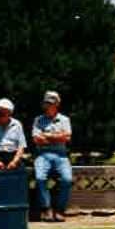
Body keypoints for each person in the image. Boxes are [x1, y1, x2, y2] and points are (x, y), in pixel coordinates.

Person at [32, 91, 73, 222]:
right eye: (47, 104)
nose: (48, 107)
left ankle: (60, 209)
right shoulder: (38, 120)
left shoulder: (64, 120)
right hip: (43, 155)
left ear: (57, 105)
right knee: (39, 178)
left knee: (67, 179)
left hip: (61, 156)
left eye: (51, 104)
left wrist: (47, 136)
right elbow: (36, 139)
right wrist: (58, 137)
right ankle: (47, 208)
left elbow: (67, 138)